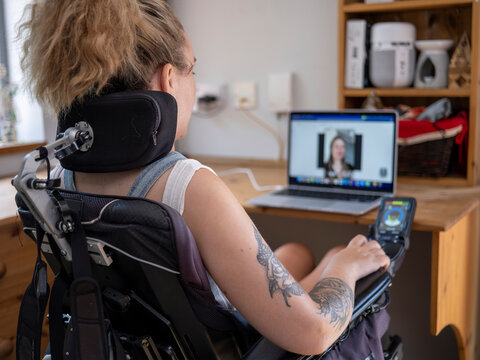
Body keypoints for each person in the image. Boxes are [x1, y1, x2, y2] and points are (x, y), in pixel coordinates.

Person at [20, 0, 389, 355]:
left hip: (146, 339)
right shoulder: (187, 185)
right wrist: (346, 265)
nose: (194, 84)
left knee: (298, 253)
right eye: (191, 71)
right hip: (229, 343)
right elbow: (315, 333)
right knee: (338, 253)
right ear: (168, 79)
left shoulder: (59, 176)